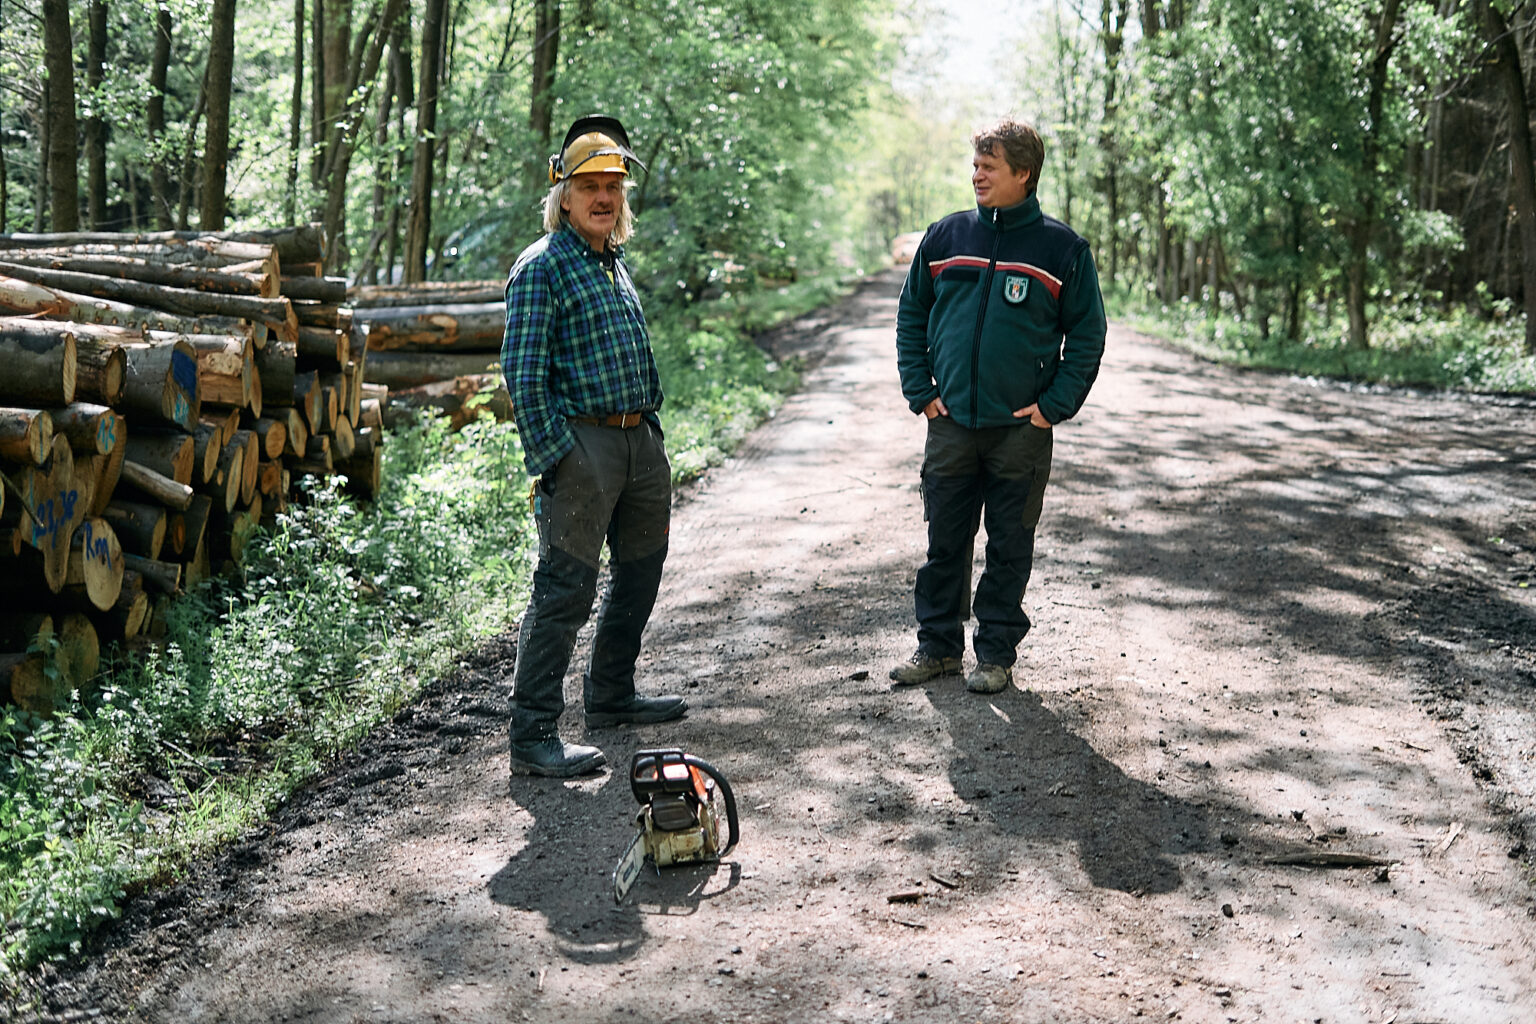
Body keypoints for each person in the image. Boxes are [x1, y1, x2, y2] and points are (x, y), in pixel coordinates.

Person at [892, 117, 1106, 695]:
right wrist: (924, 392)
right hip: (952, 424)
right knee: (945, 542)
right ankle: (937, 648)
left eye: (989, 166)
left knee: (1009, 546)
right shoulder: (945, 238)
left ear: (1023, 174)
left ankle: (995, 655)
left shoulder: (1063, 250)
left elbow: (1087, 334)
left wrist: (1051, 407)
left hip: (1021, 431)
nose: (977, 175)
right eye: (975, 165)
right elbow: (912, 316)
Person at [500, 115, 686, 777]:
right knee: (564, 590)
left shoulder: (613, 263)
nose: (605, 196)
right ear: (564, 196)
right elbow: (523, 375)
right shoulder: (542, 268)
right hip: (583, 447)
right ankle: (533, 738)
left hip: (639, 441)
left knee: (641, 571)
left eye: (614, 184)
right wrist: (556, 456)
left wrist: (651, 437)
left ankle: (610, 695)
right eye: (591, 186)